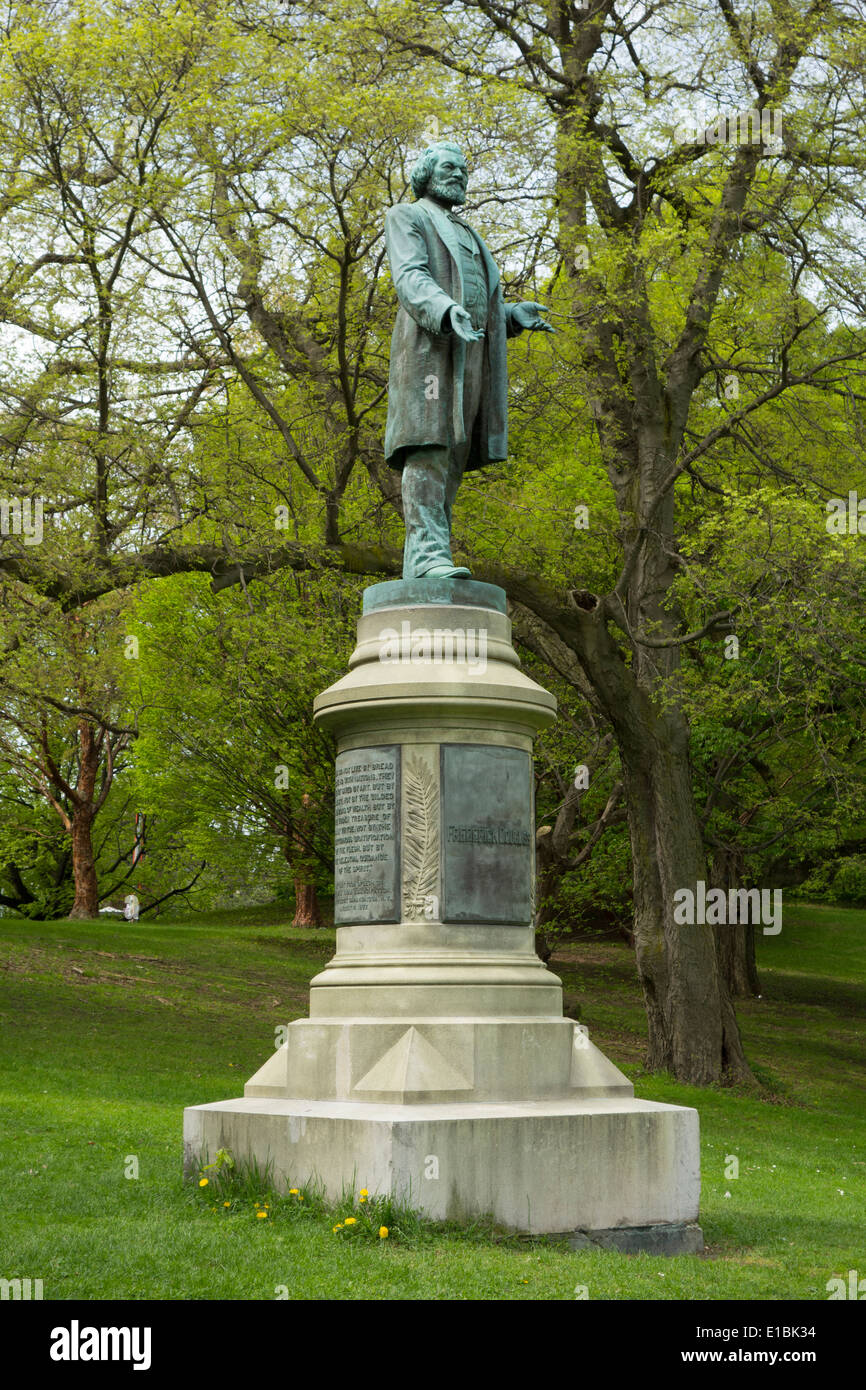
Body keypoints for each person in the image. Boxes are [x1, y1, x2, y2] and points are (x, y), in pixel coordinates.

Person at [384, 141, 554, 579]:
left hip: (470, 361)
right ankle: (427, 558)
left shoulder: (468, 233)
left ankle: (424, 559)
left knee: (452, 458)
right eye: (448, 167)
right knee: (428, 449)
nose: (459, 174)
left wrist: (511, 316)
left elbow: (477, 300)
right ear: (425, 173)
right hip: (428, 358)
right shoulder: (408, 216)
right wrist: (442, 308)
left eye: (463, 169)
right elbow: (410, 276)